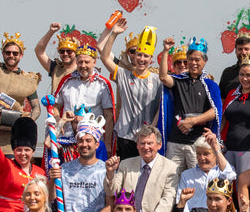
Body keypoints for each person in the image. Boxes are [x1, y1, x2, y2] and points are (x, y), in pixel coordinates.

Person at [49, 114, 111, 212]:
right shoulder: (64, 168)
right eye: (81, 141)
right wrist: (52, 180)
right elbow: (51, 198)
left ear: (97, 144)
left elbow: (110, 206)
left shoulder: (105, 170)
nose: (84, 144)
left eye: (88, 140)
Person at [99, 18, 163, 160]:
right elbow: (104, 57)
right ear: (133, 56)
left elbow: (161, 106)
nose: (141, 58)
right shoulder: (122, 74)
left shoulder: (157, 79)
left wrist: (152, 128)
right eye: (138, 54)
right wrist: (114, 34)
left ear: (151, 58)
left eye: (145, 56)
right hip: (125, 136)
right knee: (126, 175)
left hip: (147, 138)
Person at [158, 37, 222, 172]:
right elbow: (164, 77)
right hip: (175, 143)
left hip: (197, 144)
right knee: (171, 182)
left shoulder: (210, 85)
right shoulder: (179, 81)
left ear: (205, 61)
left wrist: (193, 121)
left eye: (197, 60)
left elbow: (215, 111)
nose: (193, 63)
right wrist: (165, 51)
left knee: (197, 182)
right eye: (191, 59)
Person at [0, 116, 45, 212]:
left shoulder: (40, 171)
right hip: (7, 209)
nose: (22, 153)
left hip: (32, 209)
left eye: (26, 150)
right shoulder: (6, 165)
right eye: (19, 150)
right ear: (13, 151)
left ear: (33, 152)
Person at [55, 43, 116, 159]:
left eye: (86, 62)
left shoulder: (102, 84)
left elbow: (109, 116)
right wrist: (58, 120)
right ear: (76, 62)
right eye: (80, 62)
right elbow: (55, 106)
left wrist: (108, 144)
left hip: (93, 141)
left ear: (94, 62)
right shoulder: (66, 81)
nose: (83, 65)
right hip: (68, 141)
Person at [33, 23, 79, 94]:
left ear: (76, 52)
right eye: (62, 51)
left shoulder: (81, 69)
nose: (65, 54)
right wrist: (51, 32)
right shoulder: (55, 68)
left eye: (69, 51)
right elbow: (39, 51)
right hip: (55, 104)